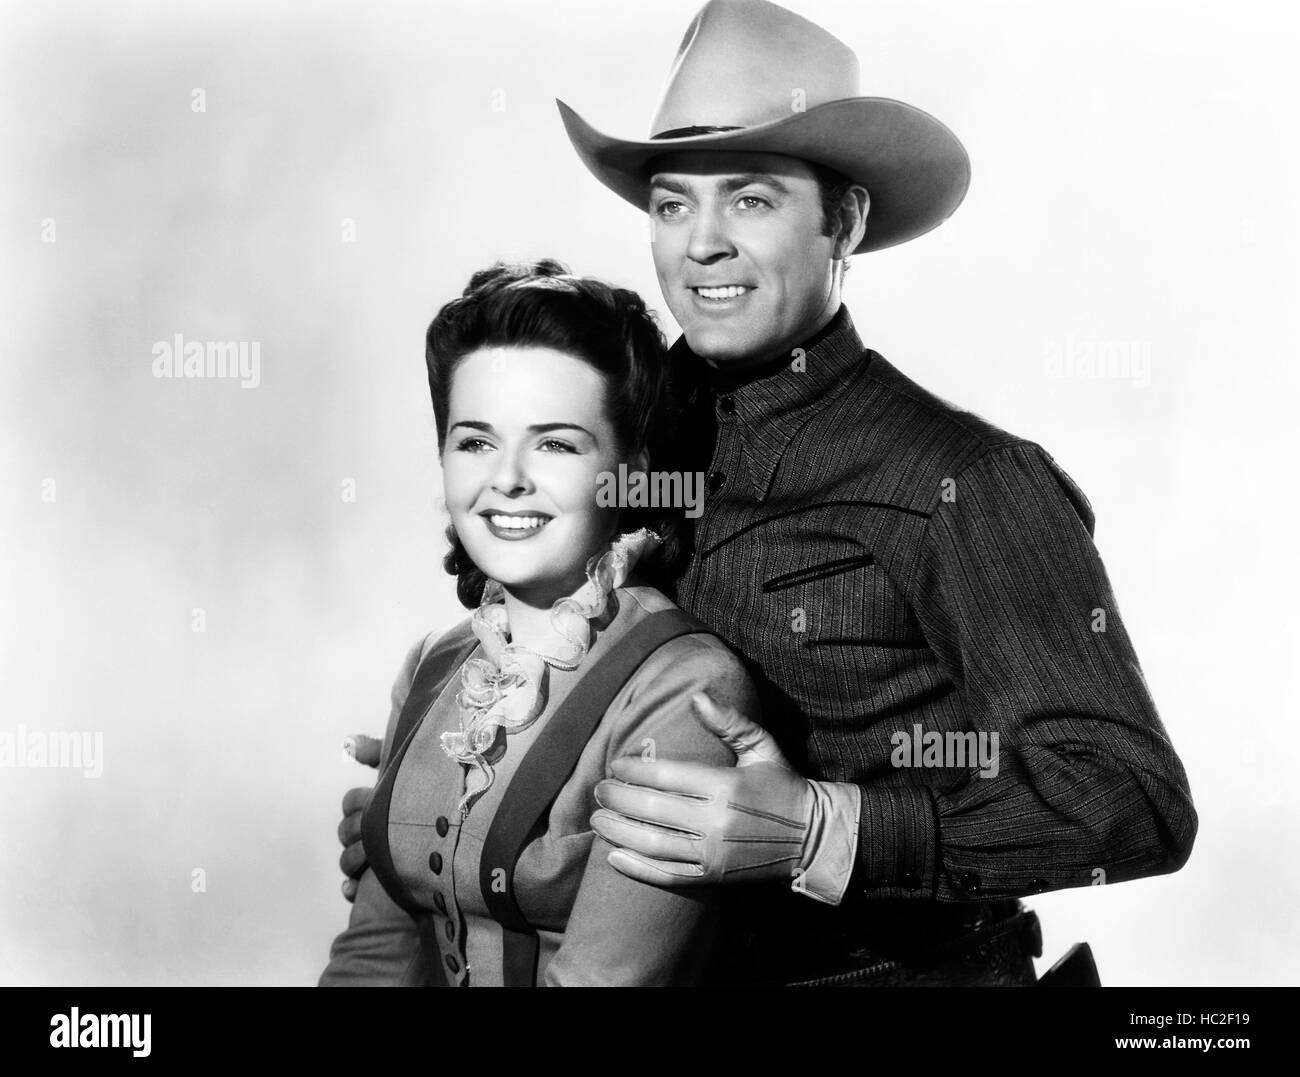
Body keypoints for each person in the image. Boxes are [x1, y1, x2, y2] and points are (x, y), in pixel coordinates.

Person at [340, 0, 1198, 986]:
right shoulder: (616, 426)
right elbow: (547, 666)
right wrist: (435, 818)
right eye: (672, 205)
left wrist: (824, 832)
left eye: (748, 200)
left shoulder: (963, 481)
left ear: (844, 218)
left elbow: (1127, 799)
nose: (699, 245)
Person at [319, 260, 756, 986]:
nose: (508, 476)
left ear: (631, 468)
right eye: (475, 440)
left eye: (555, 443)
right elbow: (373, 958)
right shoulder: (432, 667)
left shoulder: (687, 690)